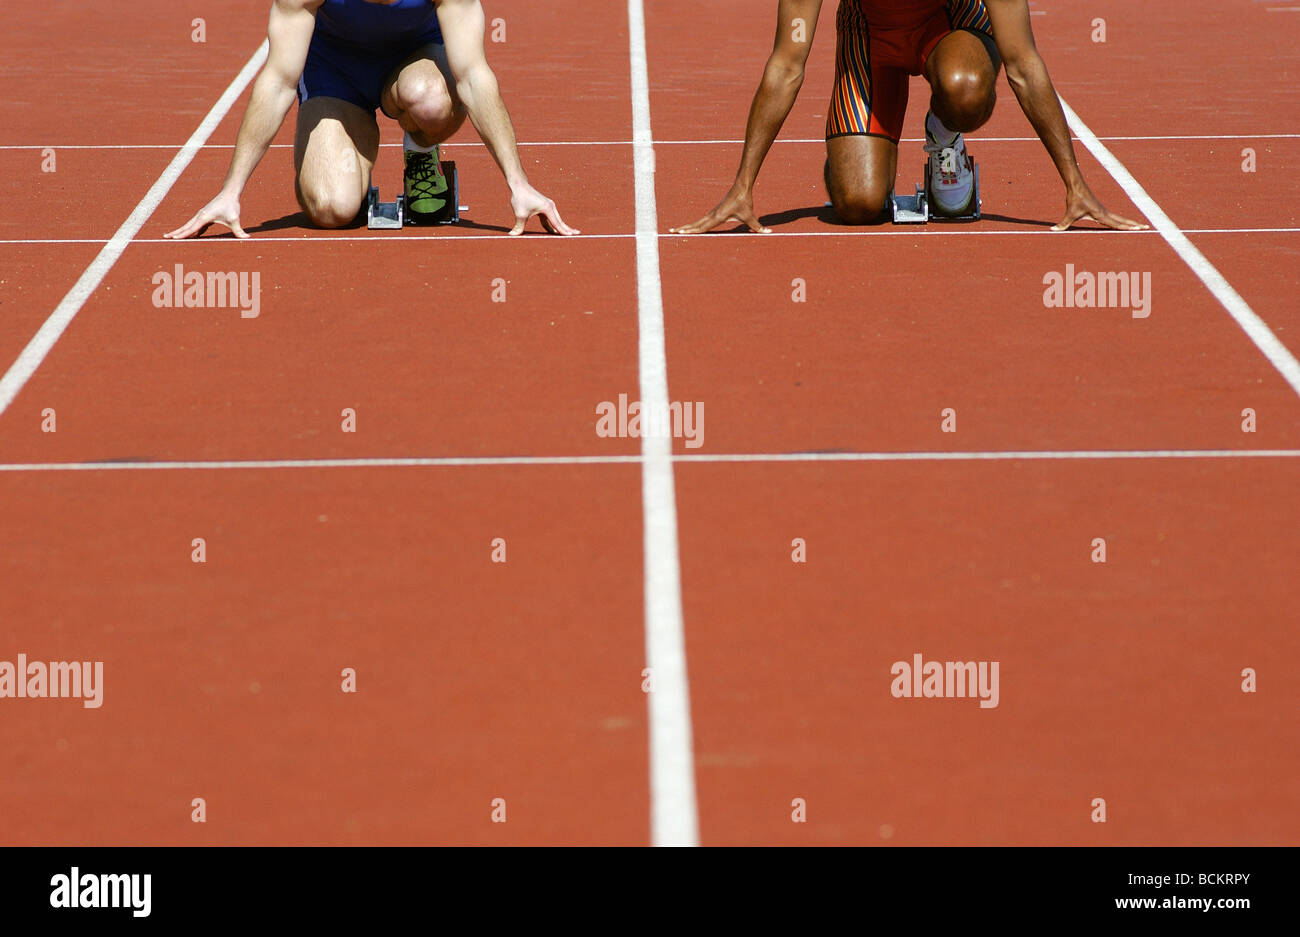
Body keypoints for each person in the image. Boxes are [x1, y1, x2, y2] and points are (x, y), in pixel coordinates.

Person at [672, 0, 1147, 233]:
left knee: (965, 90)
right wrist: (742, 187)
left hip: (948, 29)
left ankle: (944, 136)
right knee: (857, 205)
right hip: (868, 39)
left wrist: (1075, 185)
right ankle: (849, 158)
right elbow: (786, 62)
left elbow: (1023, 63)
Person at [167, 0, 576, 239]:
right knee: (330, 209)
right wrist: (230, 191)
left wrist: (518, 183)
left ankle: (420, 148)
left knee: (431, 101)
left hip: (418, 64)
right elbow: (277, 81)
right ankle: (349, 161)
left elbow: (473, 76)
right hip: (335, 73)